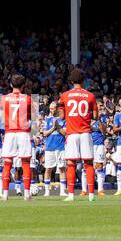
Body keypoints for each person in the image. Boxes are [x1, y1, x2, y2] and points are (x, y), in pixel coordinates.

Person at [59, 68, 98, 202]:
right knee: (88, 163)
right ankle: (92, 195)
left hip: (72, 133)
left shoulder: (65, 95)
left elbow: (62, 116)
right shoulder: (90, 96)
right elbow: (95, 116)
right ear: (84, 81)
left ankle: (70, 195)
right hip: (86, 132)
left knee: (71, 163)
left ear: (71, 81)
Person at [0, 75, 34, 201]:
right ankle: (26, 193)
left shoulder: (4, 98)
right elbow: (30, 116)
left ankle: (5, 194)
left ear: (11, 84)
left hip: (10, 132)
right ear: (23, 85)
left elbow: (3, 113)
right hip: (23, 132)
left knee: (7, 163)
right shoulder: (28, 98)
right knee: (25, 163)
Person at [38, 101, 66, 196]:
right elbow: (44, 133)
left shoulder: (63, 120)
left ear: (57, 108)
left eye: (53, 108)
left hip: (61, 147)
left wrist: (58, 127)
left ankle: (62, 191)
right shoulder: (47, 119)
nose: (51, 110)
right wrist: (53, 128)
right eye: (50, 108)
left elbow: (65, 133)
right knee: (48, 169)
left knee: (62, 168)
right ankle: (47, 191)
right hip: (50, 147)